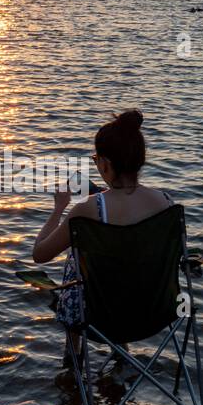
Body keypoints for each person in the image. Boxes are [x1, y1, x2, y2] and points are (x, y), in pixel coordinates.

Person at [32, 110, 171, 329]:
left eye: (96, 159)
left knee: (77, 256)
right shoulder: (165, 203)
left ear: (105, 163)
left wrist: (59, 208)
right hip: (156, 312)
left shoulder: (89, 209)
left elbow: (39, 254)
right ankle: (120, 352)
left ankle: (74, 356)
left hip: (100, 317)